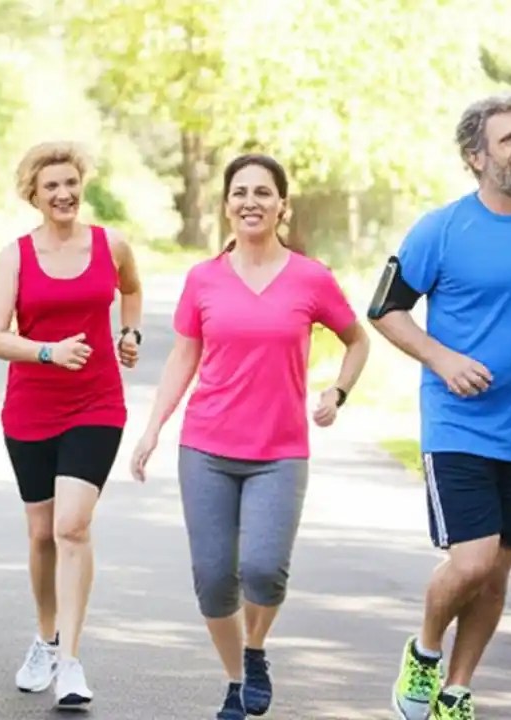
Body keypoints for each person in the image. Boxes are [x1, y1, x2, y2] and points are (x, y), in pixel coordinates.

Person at [368, 94, 511, 720]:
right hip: (457, 424)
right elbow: (385, 309)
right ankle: (424, 652)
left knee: (495, 576)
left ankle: (457, 691)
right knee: (470, 561)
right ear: (475, 157)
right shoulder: (441, 230)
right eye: (508, 140)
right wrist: (442, 359)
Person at [130, 153, 371, 720]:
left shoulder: (312, 278)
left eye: (264, 193)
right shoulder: (203, 278)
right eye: (240, 192)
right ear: (225, 204)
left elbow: (358, 341)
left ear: (282, 206)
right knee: (214, 579)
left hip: (279, 453)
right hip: (207, 448)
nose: (251, 202)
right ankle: (237, 680)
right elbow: (182, 359)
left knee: (264, 569)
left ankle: (255, 649)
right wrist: (152, 428)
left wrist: (337, 392)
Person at [0, 141, 144, 711]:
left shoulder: (110, 244)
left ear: (82, 184)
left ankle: (71, 662)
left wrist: (131, 333)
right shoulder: (17, 256)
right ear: (34, 194)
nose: (64, 193)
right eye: (51, 185)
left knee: (72, 526)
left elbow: (132, 290)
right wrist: (47, 352)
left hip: (97, 403)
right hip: (31, 406)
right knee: (42, 532)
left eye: (71, 182)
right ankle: (45, 638)